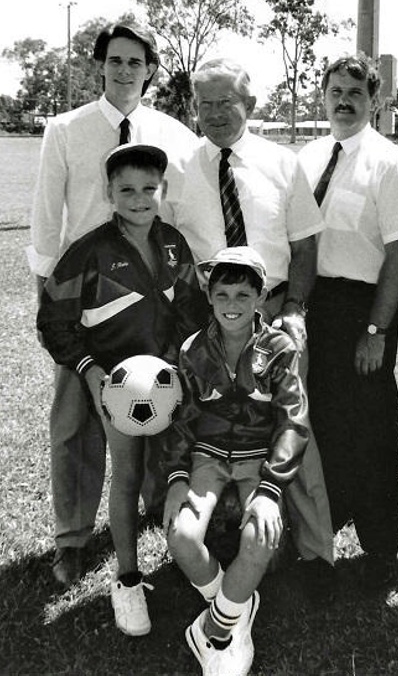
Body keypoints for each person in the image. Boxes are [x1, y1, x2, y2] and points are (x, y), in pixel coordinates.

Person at [27, 21, 199, 587]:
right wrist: (45, 290)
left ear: (151, 68)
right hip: (86, 304)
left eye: (137, 61)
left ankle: (152, 508)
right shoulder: (65, 129)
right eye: (116, 60)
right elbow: (48, 216)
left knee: (155, 408)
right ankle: (72, 537)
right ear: (100, 65)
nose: (126, 70)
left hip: (147, 302)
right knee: (77, 425)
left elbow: (176, 217)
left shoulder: (173, 133)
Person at [167, 58, 334, 568]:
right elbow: (170, 245)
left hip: (275, 314)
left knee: (291, 424)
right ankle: (205, 534)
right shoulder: (178, 167)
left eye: (226, 102)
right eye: (205, 104)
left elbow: (305, 246)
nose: (215, 114)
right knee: (209, 427)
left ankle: (314, 552)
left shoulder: (283, 163)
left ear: (251, 105)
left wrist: (296, 310)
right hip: (208, 316)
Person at [37, 142, 207, 635]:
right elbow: (53, 322)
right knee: (128, 476)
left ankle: (189, 557)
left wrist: (179, 360)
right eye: (127, 190)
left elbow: (192, 308)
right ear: (109, 193)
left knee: (183, 464)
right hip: (119, 389)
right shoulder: (88, 252)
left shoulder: (174, 243)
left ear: (163, 191)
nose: (138, 198)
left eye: (148, 189)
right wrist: (90, 371)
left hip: (170, 380)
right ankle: (128, 579)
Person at [298, 53, 398, 588]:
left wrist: (376, 331)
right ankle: (321, 541)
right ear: (323, 98)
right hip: (316, 307)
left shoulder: (389, 162)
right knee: (321, 426)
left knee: (372, 431)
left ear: (375, 101)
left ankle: (379, 550)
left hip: (365, 309)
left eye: (356, 92)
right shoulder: (307, 156)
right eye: (335, 92)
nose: (344, 101)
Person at [163, 246, 310, 675]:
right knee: (181, 536)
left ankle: (213, 629)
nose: (232, 305)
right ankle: (236, 612)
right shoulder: (192, 350)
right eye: (222, 295)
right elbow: (180, 422)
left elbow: (293, 420)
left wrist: (269, 490)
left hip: (258, 459)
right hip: (208, 458)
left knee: (261, 536)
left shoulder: (279, 348)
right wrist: (176, 479)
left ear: (262, 297)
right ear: (208, 296)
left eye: (243, 295)